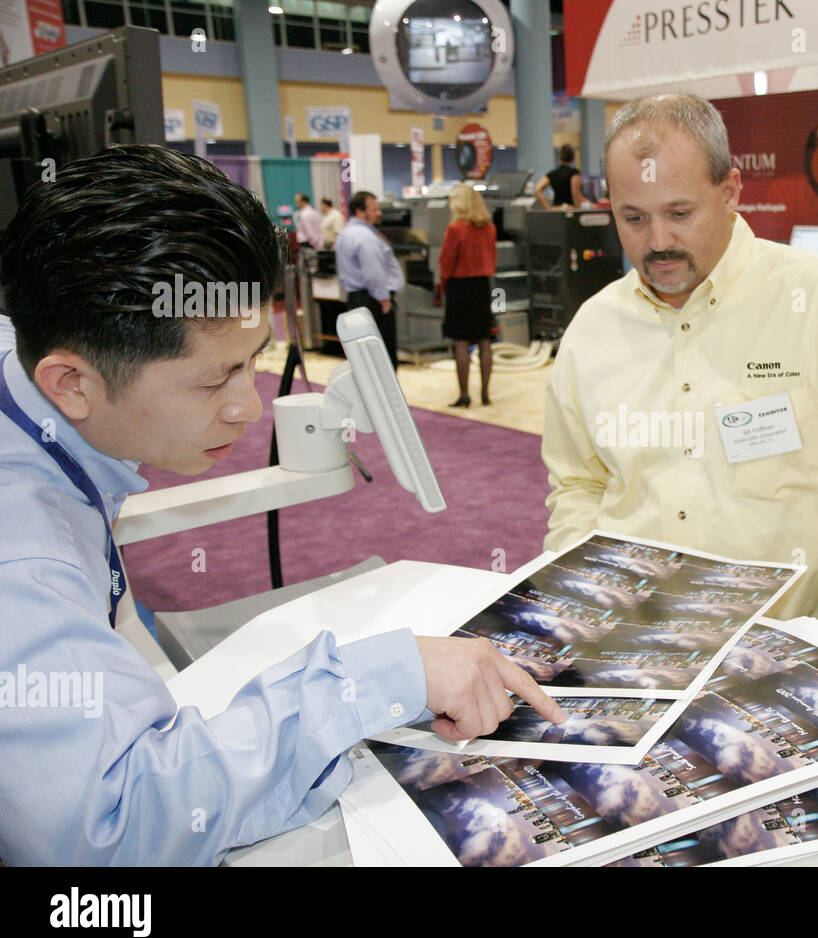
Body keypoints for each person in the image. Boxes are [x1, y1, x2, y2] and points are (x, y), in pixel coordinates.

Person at [0, 145, 564, 865]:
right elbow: (108, 831)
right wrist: (375, 681)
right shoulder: (22, 557)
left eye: (256, 359)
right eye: (216, 379)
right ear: (71, 384)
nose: (246, 406)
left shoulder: (29, 373)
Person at [542, 94, 818, 666]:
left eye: (680, 212)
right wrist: (580, 610)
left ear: (731, 191)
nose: (657, 240)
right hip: (629, 653)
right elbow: (579, 487)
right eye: (633, 218)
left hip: (792, 654)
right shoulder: (594, 327)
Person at [438, 183, 498, 407]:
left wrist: (443, 286)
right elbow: (493, 258)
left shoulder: (455, 229)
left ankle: (464, 394)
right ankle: (485, 394)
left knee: (461, 342)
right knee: (484, 340)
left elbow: (446, 262)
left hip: (459, 287)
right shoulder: (489, 229)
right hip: (482, 286)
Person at [334, 190, 404, 366]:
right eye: (373, 209)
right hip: (373, 302)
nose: (378, 213)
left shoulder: (347, 233)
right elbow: (373, 272)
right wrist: (384, 300)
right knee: (382, 360)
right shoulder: (364, 236)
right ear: (360, 212)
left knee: (365, 359)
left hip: (359, 299)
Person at [534, 144, 584, 209]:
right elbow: (575, 193)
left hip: (555, 209)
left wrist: (547, 208)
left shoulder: (552, 174)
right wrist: (578, 208)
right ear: (573, 158)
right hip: (569, 209)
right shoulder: (574, 173)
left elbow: (537, 190)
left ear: (559, 158)